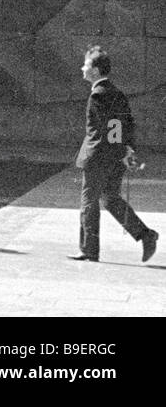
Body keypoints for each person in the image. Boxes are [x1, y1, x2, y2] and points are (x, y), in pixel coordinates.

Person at [70, 45, 158, 263]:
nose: (82, 68)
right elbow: (124, 125)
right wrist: (126, 151)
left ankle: (89, 250)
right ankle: (145, 234)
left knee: (88, 201)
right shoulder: (116, 93)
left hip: (99, 156)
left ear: (96, 71)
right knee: (110, 199)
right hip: (113, 157)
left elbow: (111, 128)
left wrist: (121, 150)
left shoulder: (98, 96)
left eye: (86, 65)